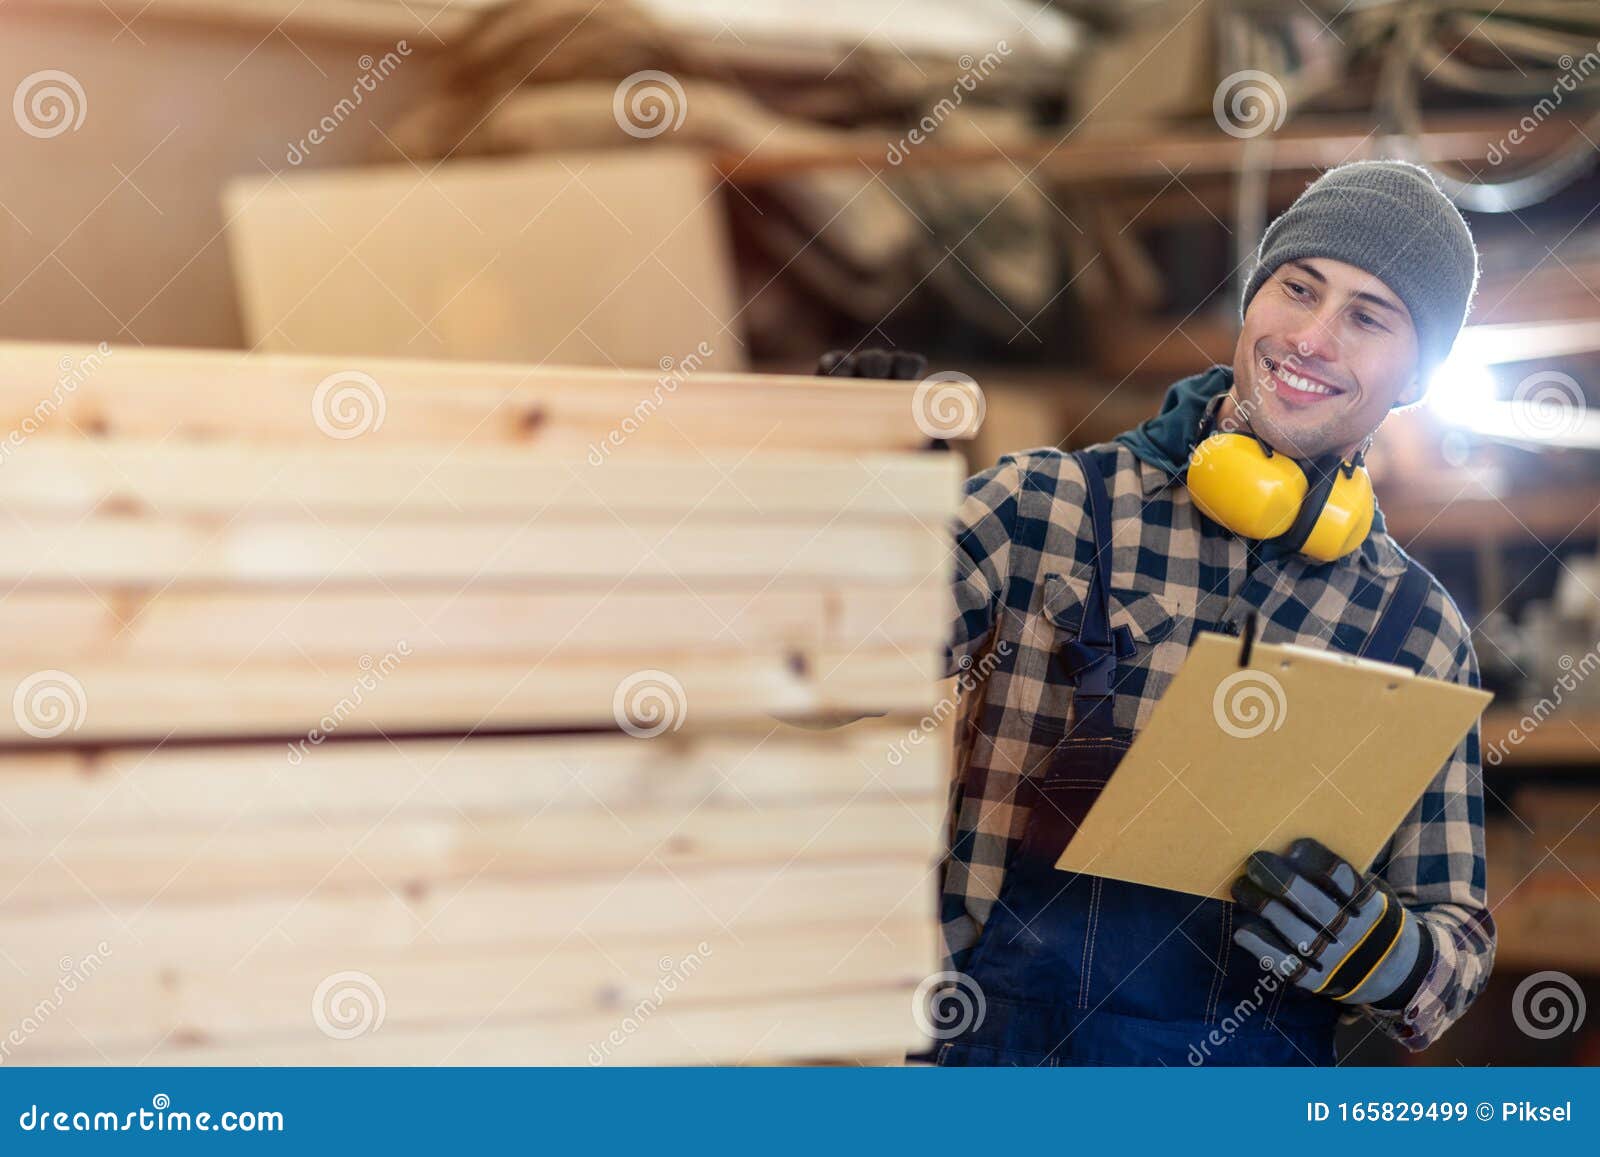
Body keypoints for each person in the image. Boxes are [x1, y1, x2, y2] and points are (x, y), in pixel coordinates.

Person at [819, 160, 1492, 1066]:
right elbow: (814, 670)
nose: (1313, 337)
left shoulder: (1418, 630)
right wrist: (849, 484)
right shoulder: (1046, 510)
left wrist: (1386, 950)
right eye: (1298, 288)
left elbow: (1458, 948)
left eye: (1369, 318)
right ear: (1253, 301)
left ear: (1417, 377)